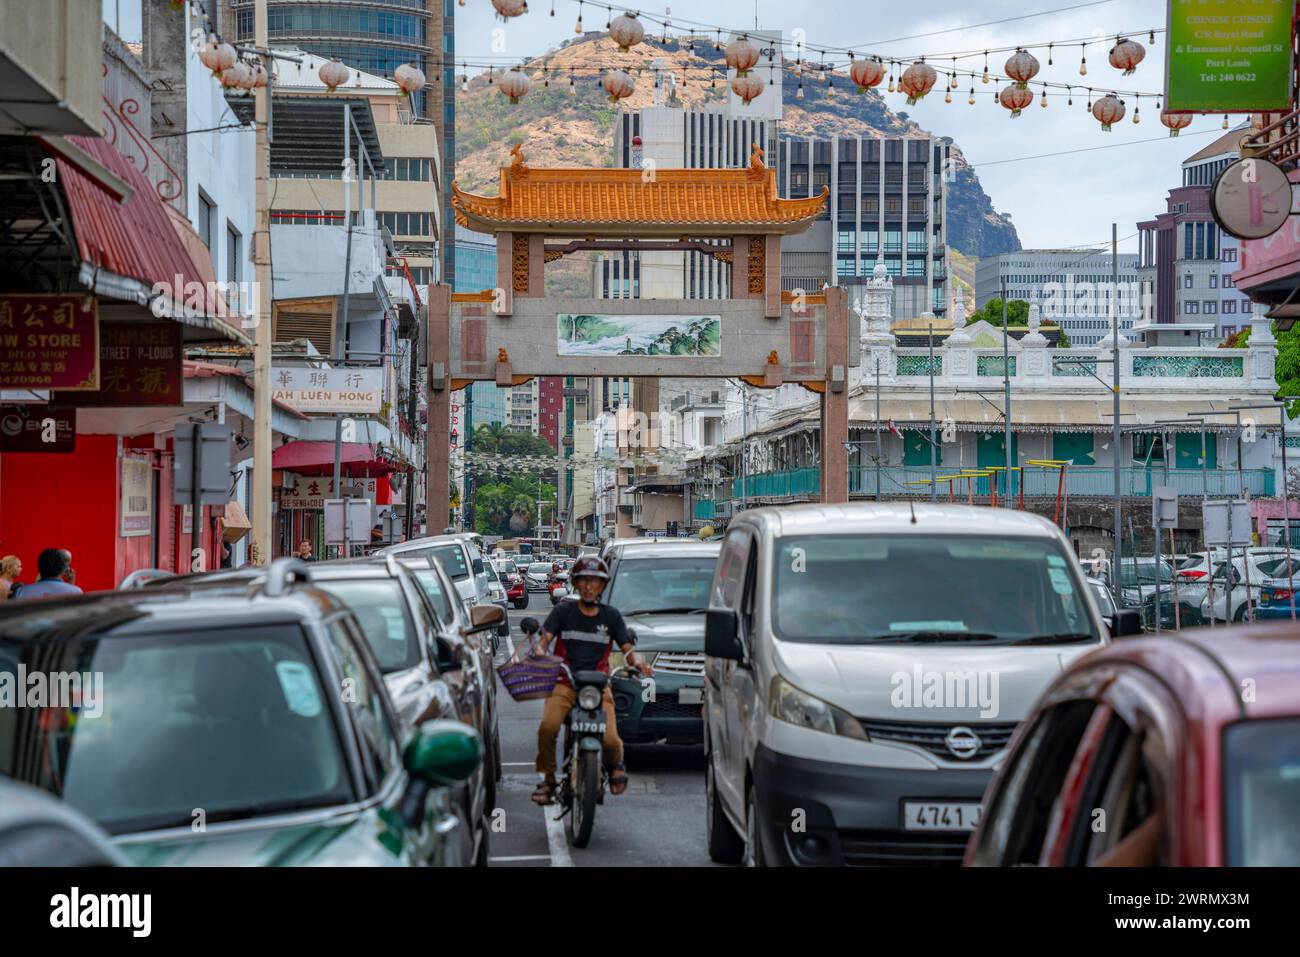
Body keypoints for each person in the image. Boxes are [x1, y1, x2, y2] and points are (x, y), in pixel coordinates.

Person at [531, 555, 651, 806]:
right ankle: (548, 779)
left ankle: (616, 767)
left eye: (594, 582)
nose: (588, 586)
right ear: (576, 583)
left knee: (610, 739)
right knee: (548, 727)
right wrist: (540, 652)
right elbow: (544, 639)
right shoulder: (563, 610)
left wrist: (639, 662)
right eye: (583, 581)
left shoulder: (611, 617)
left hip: (599, 686)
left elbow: (628, 650)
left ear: (602, 586)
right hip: (564, 683)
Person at [12, 549, 83, 601]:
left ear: (39, 567)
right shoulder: (76, 591)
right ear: (63, 569)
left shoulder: (21, 591)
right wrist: (71, 585)